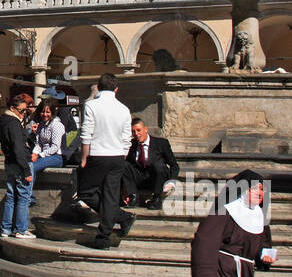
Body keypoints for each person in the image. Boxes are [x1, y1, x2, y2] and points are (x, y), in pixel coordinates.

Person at [77, 74, 135, 249]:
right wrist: (122, 154)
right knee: (110, 197)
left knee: (86, 192)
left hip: (98, 155)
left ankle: (122, 217)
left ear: (99, 88)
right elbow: (127, 137)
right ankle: (105, 236)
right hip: (117, 156)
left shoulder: (91, 105)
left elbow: (86, 132)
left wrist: (84, 156)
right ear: (116, 89)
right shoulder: (124, 109)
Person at [0, 93, 36, 239]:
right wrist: (26, 170)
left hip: (10, 162)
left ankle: (5, 229)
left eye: (26, 111)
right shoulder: (13, 123)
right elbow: (18, 147)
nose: (24, 113)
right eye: (22, 111)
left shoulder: (3, 120)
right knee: (23, 197)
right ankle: (21, 229)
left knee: (11, 196)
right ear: (13, 108)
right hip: (20, 163)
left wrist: (29, 134)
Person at [123, 116, 179, 210]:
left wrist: (172, 182)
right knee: (123, 164)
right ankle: (133, 196)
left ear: (145, 129)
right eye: (133, 132)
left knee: (158, 164)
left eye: (139, 130)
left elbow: (174, 165)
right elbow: (129, 167)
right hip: (141, 178)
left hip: (157, 178)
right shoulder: (132, 145)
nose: (136, 134)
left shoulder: (161, 143)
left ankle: (157, 198)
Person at [27, 98, 65, 206]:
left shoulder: (57, 125)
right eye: (43, 111)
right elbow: (38, 144)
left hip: (57, 157)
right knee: (26, 164)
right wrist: (34, 153)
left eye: (47, 112)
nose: (44, 114)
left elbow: (55, 147)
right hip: (44, 155)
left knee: (32, 167)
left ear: (52, 112)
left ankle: (29, 197)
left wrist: (39, 156)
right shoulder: (41, 125)